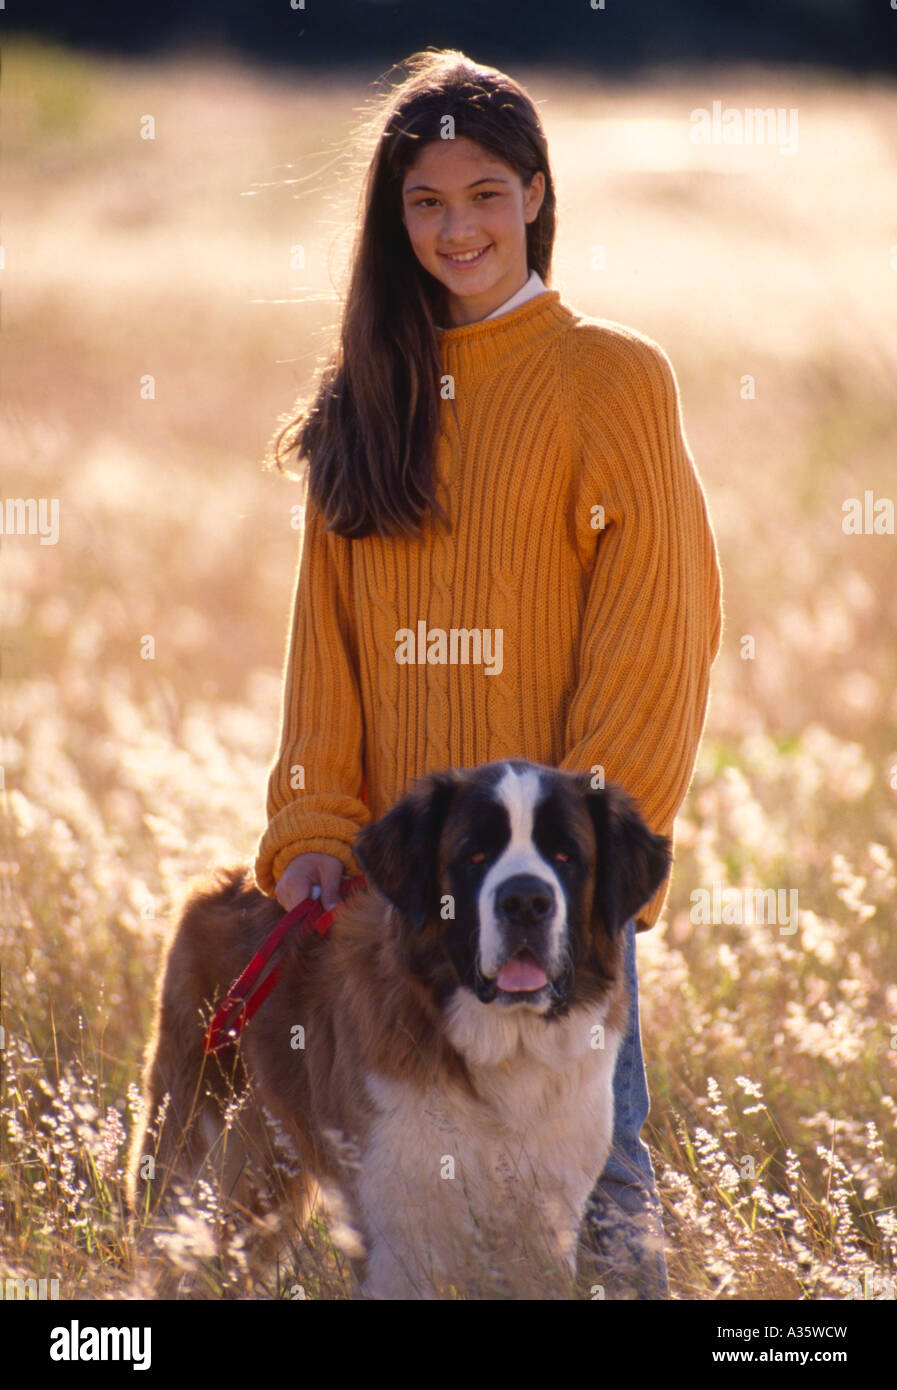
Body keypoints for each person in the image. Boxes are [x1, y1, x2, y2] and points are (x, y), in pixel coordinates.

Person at [253, 48, 723, 1299]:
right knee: (403, 1218)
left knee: (598, 1193)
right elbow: (328, 644)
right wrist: (309, 820)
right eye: (424, 201)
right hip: (402, 902)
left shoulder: (613, 377)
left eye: (485, 194)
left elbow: (656, 630)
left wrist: (598, 869)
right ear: (393, 217)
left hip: (554, 896)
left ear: (537, 194)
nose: (457, 226)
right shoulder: (370, 399)